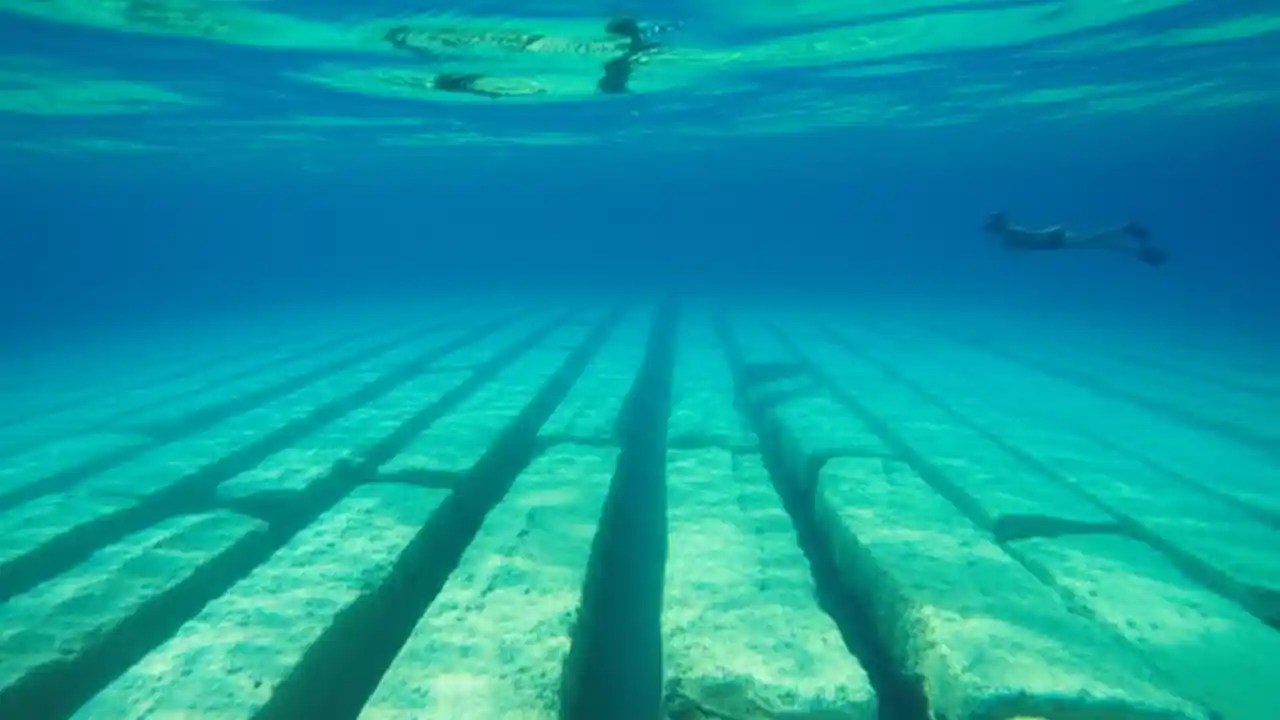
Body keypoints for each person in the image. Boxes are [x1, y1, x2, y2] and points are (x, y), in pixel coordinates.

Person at [984, 212, 1168, 267]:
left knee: (1094, 241)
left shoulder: (1010, 234)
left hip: (1053, 240)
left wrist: (1050, 234)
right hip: (1053, 240)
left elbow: (1032, 238)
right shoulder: (1009, 234)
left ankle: (1126, 230)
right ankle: (1140, 253)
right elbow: (1029, 241)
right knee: (1098, 244)